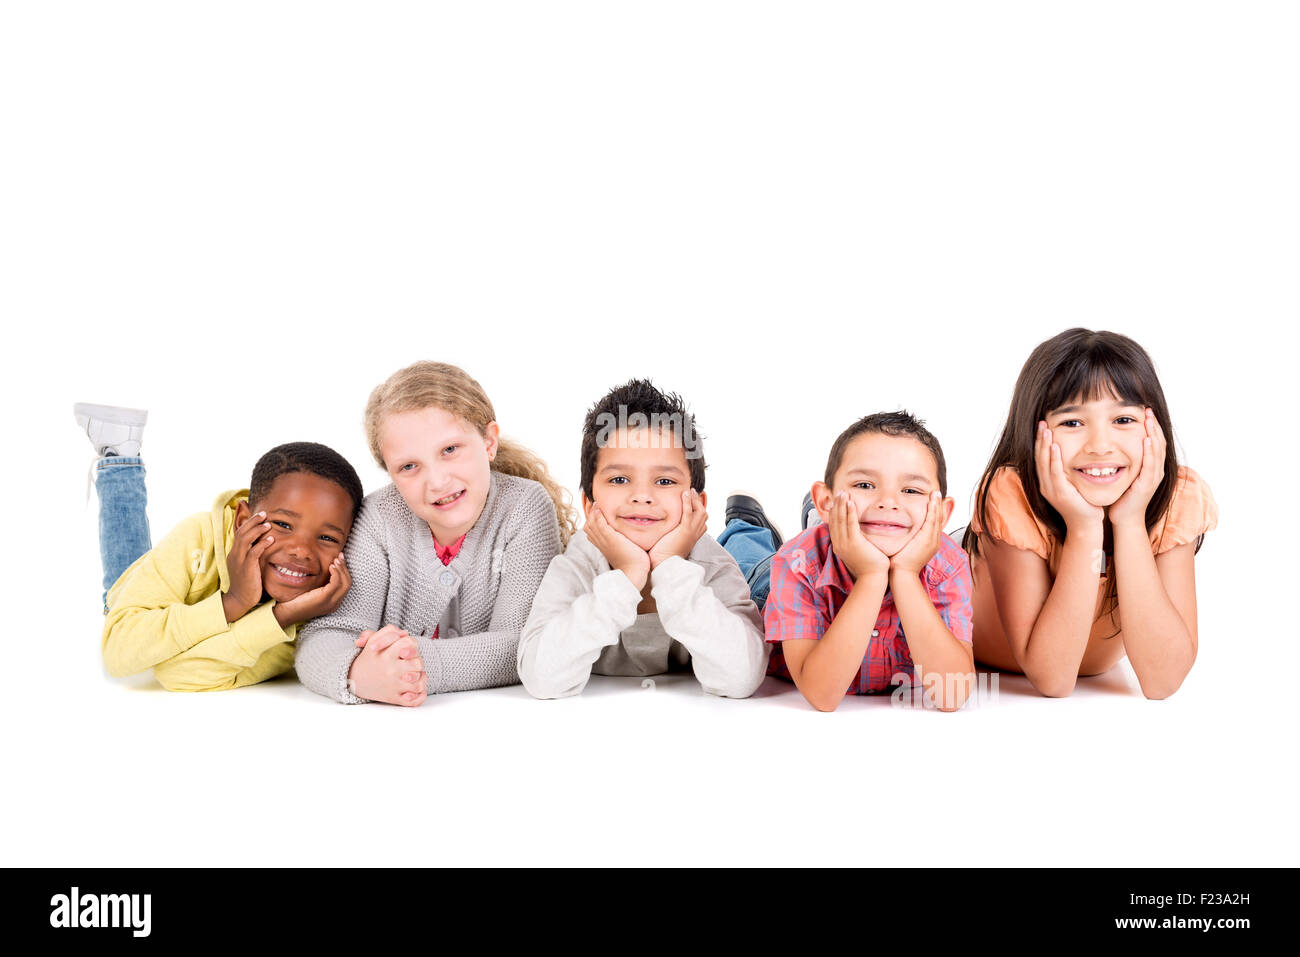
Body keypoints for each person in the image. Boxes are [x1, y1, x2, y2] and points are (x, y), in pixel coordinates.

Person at [294, 361, 573, 706]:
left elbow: (523, 643)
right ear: (391, 474)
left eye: (450, 450)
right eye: (409, 467)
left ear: (489, 442)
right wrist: (358, 672)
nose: (438, 481)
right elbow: (324, 637)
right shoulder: (379, 517)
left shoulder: (525, 507)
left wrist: (414, 665)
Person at [962, 328, 1217, 699]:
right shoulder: (1010, 493)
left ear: (1156, 427)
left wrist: (1129, 521)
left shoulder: (1175, 498)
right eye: (1072, 423)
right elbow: (1053, 678)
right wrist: (1084, 528)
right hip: (950, 573)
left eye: (1124, 420)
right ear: (1034, 432)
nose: (1100, 446)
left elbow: (1162, 681)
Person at [75, 402, 363, 691]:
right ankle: (119, 456)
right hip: (138, 597)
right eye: (283, 525)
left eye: (327, 538)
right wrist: (233, 602)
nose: (302, 550)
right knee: (126, 564)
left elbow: (176, 674)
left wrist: (281, 618)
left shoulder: (306, 620)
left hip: (173, 610)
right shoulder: (198, 536)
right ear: (242, 520)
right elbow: (117, 653)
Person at [517, 379, 768, 699]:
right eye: (619, 479)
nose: (641, 496)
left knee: (755, 563)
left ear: (697, 504)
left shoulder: (712, 565)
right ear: (589, 505)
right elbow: (542, 678)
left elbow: (740, 679)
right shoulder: (576, 565)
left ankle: (746, 524)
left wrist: (669, 566)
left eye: (664, 480)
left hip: (747, 564)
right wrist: (627, 575)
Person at [721, 411, 975, 712]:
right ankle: (746, 524)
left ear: (943, 514)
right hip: (768, 587)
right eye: (865, 486)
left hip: (844, 532)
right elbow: (822, 695)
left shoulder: (949, 565)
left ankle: (824, 520)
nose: (888, 502)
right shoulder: (797, 564)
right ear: (827, 500)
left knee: (860, 525)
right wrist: (872, 576)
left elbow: (951, 694)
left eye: (911, 490)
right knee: (747, 562)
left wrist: (905, 574)